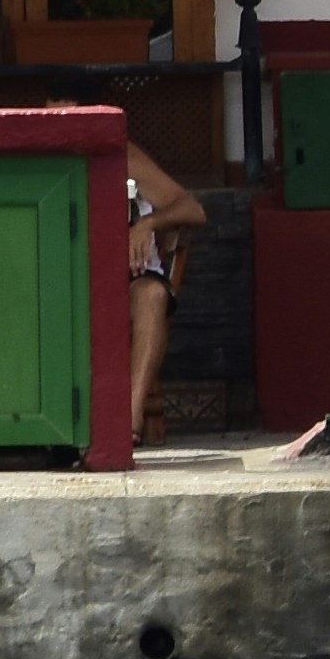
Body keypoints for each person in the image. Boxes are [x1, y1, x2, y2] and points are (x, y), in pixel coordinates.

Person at [119, 138, 209, 442]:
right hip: (72, 282)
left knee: (152, 296)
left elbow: (192, 209)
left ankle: (129, 418)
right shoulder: (45, 159)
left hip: (132, 279)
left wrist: (147, 224)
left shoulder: (124, 155)